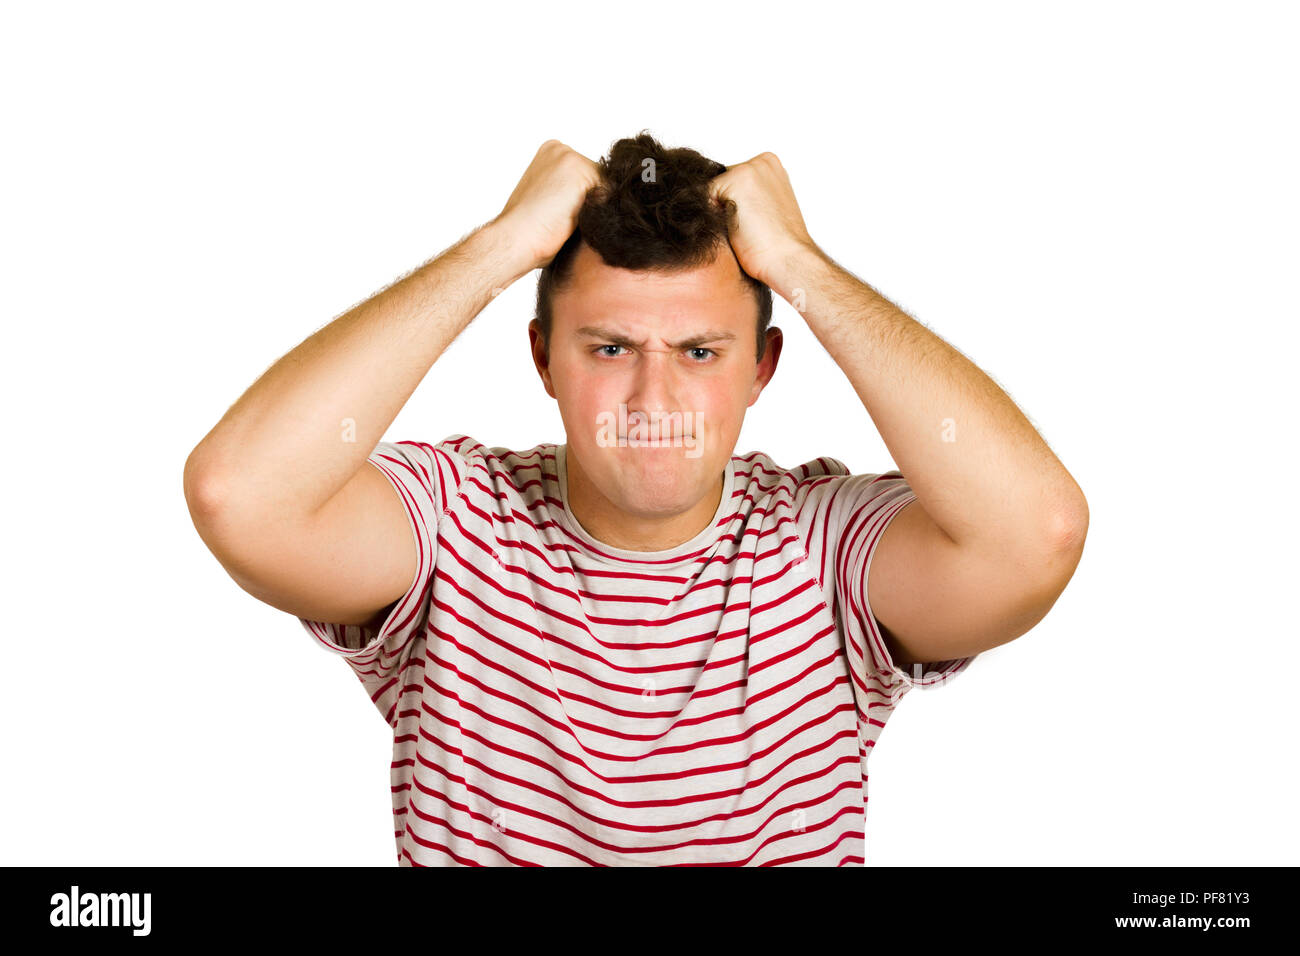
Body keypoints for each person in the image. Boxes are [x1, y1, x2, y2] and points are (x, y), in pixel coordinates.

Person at [183, 131, 1088, 866]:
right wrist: (502, 246)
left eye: (700, 352)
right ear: (542, 358)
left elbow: (1037, 534)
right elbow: (240, 496)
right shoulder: (457, 520)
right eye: (610, 348)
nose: (654, 403)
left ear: (761, 369)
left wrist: (799, 265)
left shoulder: (824, 546)